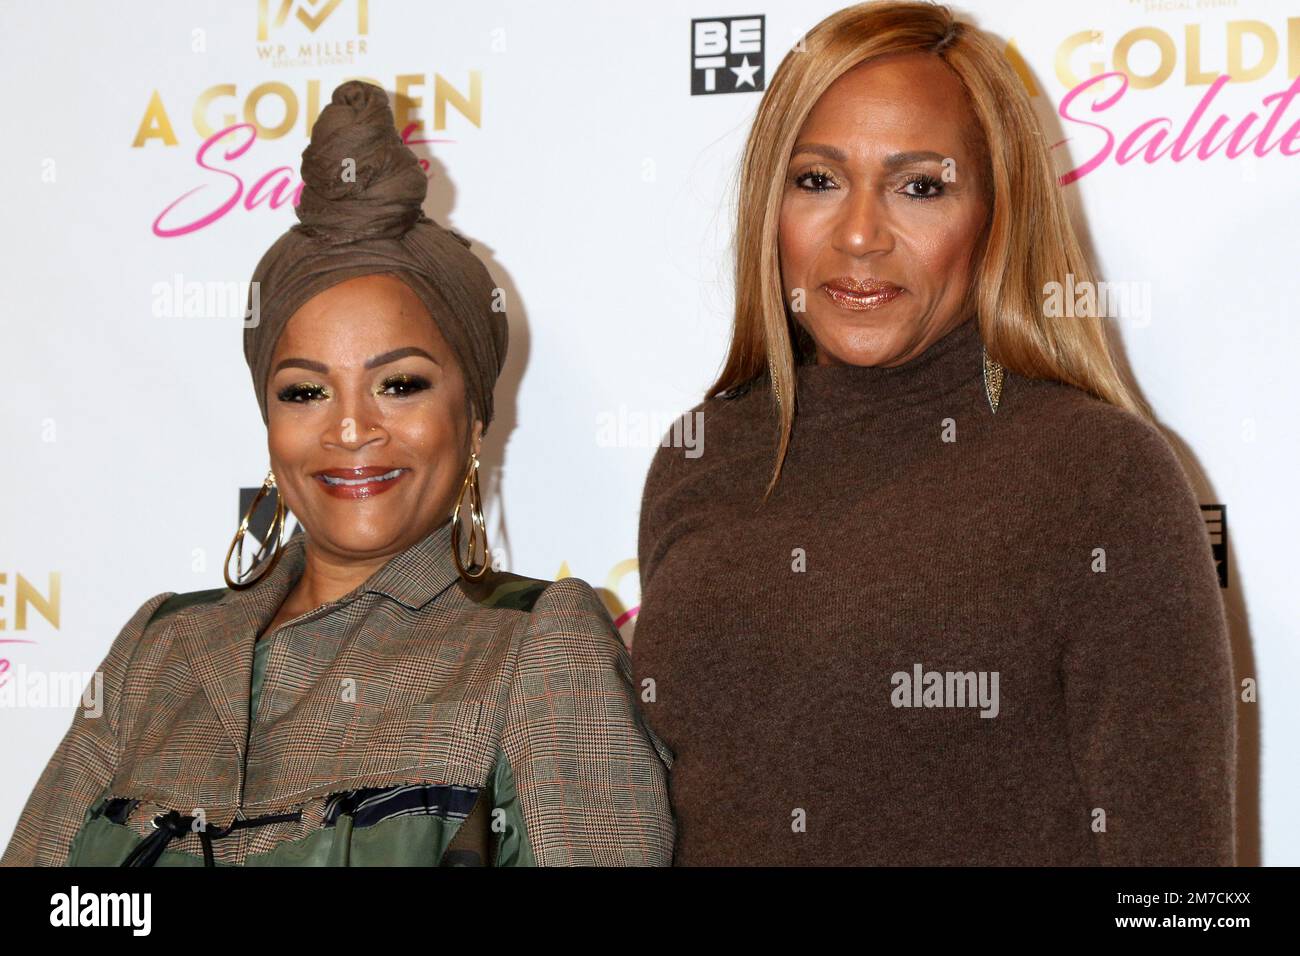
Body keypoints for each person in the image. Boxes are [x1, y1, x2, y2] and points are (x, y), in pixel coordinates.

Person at [2, 80, 674, 867]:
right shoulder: (158, 648)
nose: (351, 428)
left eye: (400, 384)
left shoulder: (539, 645)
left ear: (473, 416)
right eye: (305, 392)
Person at [631, 1, 1235, 865]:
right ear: (769, 204)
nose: (859, 235)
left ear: (996, 214)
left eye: (921, 187)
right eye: (817, 180)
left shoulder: (1099, 472)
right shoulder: (702, 454)